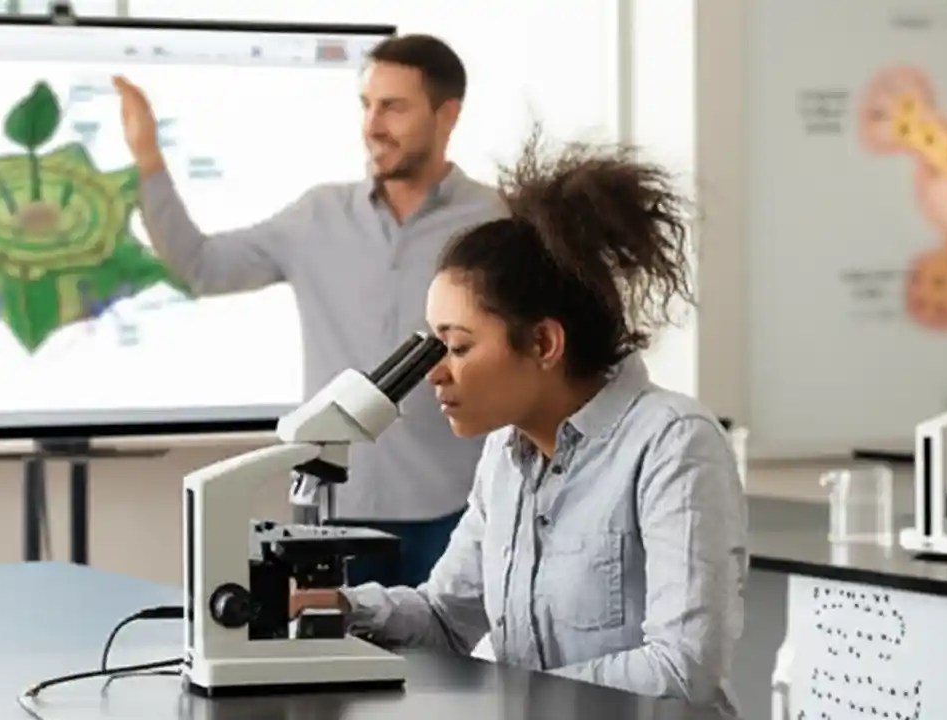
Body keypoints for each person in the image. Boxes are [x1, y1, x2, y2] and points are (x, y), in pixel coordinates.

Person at [290, 129, 749, 715]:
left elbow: (682, 668)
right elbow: (444, 617)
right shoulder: (508, 456)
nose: (436, 375)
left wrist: (504, 702)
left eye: (456, 348)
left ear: (543, 342)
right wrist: (336, 607)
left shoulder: (672, 443)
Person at [111, 35, 508, 587]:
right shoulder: (316, 216)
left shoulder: (498, 221)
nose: (372, 125)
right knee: (341, 670)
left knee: (453, 674)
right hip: (337, 509)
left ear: (448, 115)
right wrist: (148, 159)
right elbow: (199, 267)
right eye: (366, 105)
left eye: (393, 107)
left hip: (460, 510)